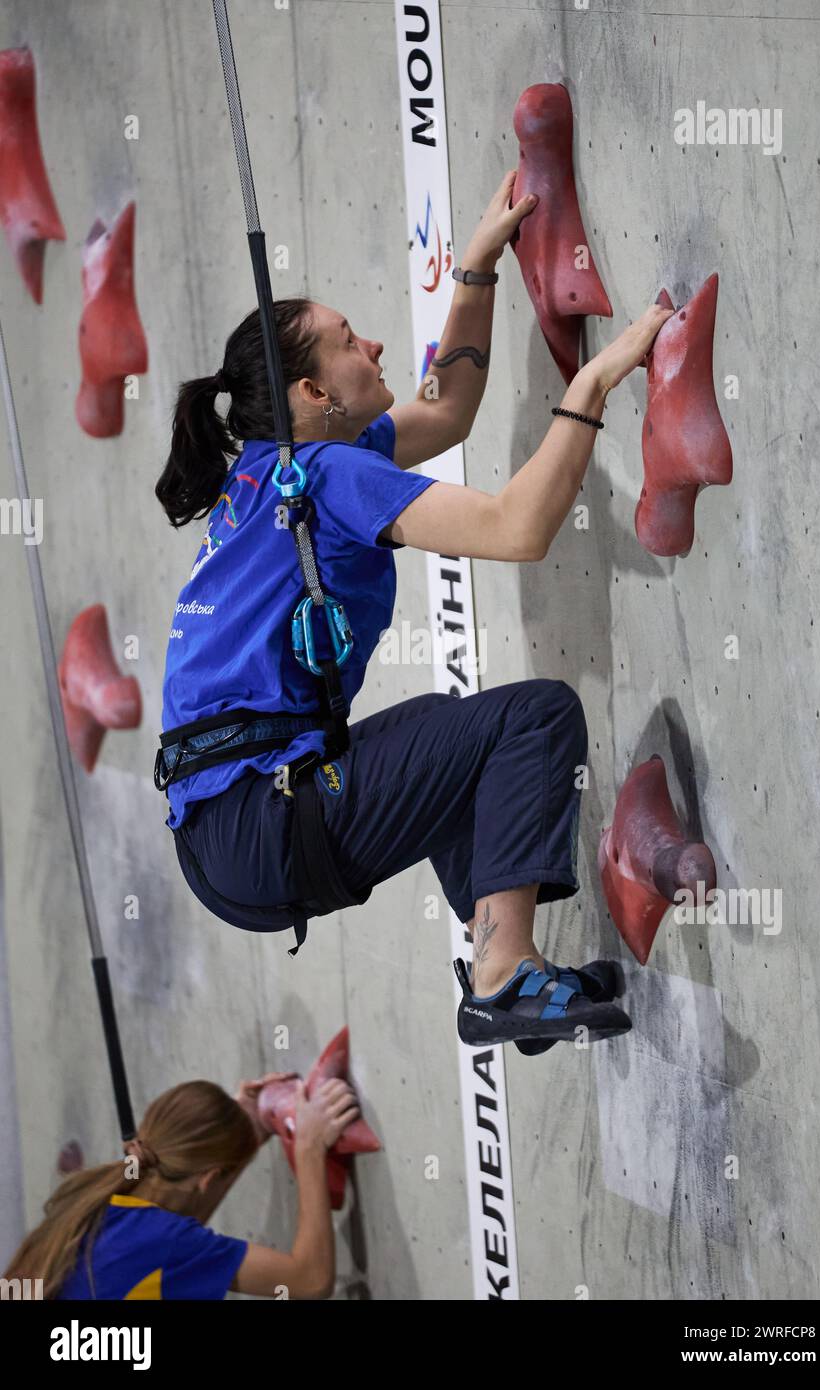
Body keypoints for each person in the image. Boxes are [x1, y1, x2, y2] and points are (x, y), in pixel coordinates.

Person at [153, 169, 674, 1054]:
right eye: (351, 341)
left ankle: (498, 962)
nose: (380, 346)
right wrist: (592, 384)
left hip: (222, 841)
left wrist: (476, 269)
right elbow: (518, 528)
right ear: (315, 395)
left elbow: (448, 409)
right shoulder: (324, 475)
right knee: (534, 720)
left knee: (444, 731)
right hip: (261, 822)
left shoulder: (267, 473)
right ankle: (505, 980)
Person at [2, 1073, 359, 1300]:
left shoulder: (93, 1199)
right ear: (207, 1177)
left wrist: (245, 1131)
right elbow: (309, 1281)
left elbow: (175, 1243)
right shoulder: (165, 1242)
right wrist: (310, 1149)